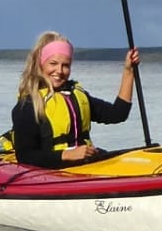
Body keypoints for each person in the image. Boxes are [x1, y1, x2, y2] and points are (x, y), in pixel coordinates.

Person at [9, 32, 141, 167]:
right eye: (53, 63)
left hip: (88, 165)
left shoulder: (77, 96)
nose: (60, 70)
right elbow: (25, 156)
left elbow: (118, 114)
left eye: (65, 65)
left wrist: (129, 71)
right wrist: (67, 155)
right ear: (40, 64)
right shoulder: (28, 105)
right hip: (53, 171)